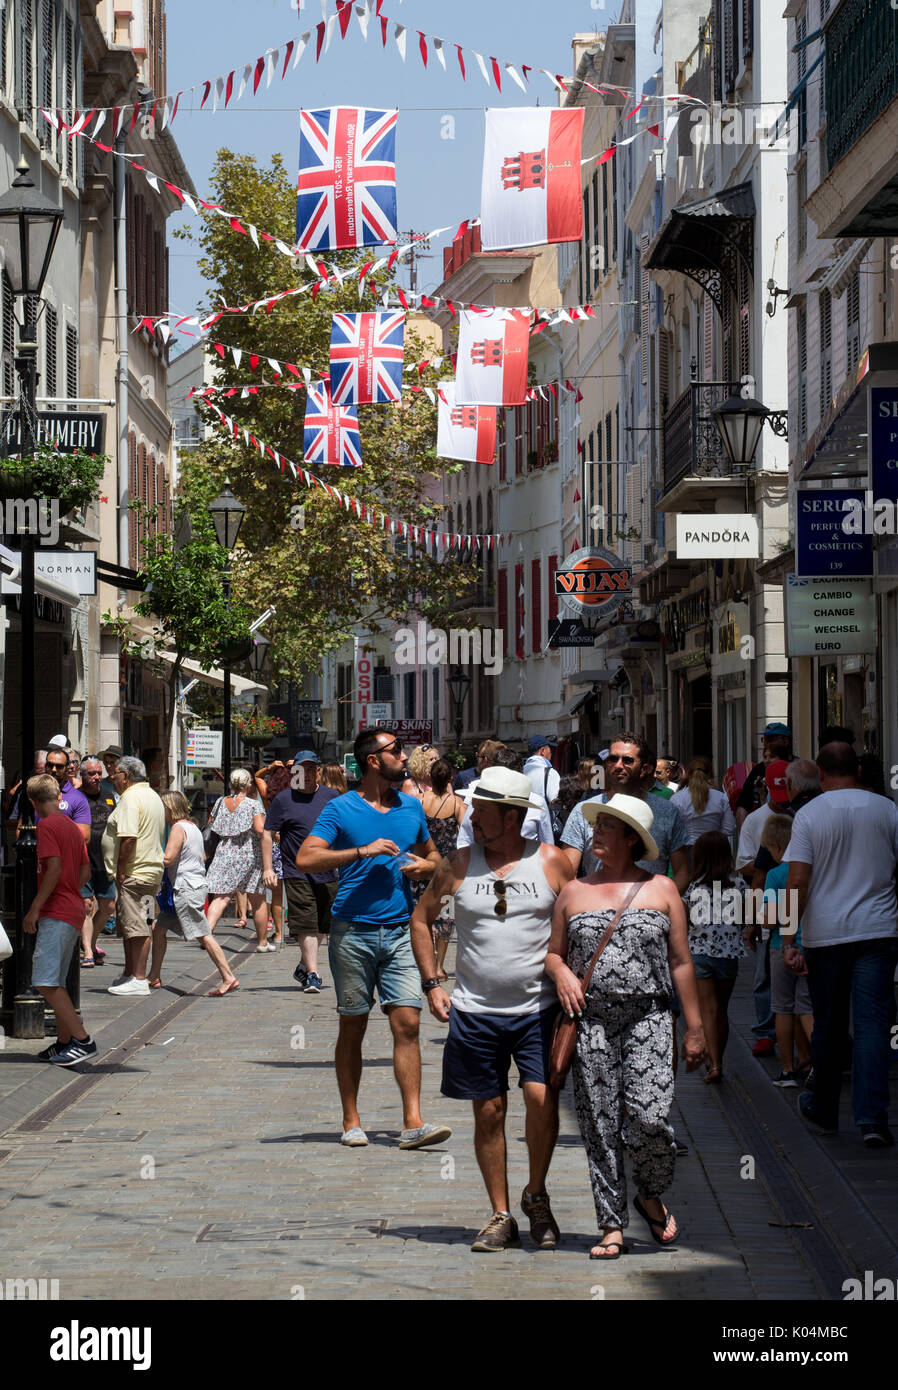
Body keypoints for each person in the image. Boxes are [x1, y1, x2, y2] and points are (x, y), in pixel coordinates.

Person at [410, 767, 573, 1252]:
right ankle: (501, 1213)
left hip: (538, 1009)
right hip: (475, 1010)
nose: (472, 815)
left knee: (542, 1100)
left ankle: (536, 1196)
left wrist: (567, 976)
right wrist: (432, 982)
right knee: (489, 1111)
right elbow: (422, 921)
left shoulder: (552, 863)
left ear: (513, 815)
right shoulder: (458, 865)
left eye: (482, 809)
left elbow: (579, 924)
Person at [545, 795, 705, 1258]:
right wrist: (561, 973)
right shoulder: (574, 891)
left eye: (609, 826)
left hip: (650, 1018)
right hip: (591, 1021)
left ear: (632, 838)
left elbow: (680, 962)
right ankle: (611, 1224)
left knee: (650, 1117)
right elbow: (553, 953)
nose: (597, 832)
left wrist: (694, 1028)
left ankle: (649, 1193)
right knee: (598, 1121)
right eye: (597, 825)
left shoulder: (662, 889)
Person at [296, 727, 452, 1150]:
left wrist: (426, 867)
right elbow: (306, 857)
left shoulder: (410, 807)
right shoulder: (341, 808)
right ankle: (351, 1119)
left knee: (408, 1022)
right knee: (354, 1025)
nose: (404, 757)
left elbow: (433, 855)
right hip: (352, 931)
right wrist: (360, 852)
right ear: (372, 760)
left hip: (401, 929)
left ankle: (413, 1122)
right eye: (396, 751)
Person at [786, 743, 898, 1147]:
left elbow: (797, 881)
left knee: (829, 1025)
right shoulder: (887, 809)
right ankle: (872, 1120)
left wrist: (788, 937)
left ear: (819, 771)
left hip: (827, 934)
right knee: (872, 1026)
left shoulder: (809, 815)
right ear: (859, 769)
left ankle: (825, 1108)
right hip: (879, 931)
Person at [24, 773, 97, 1066]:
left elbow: (52, 869)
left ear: (32, 802)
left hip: (56, 910)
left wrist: (35, 908)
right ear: (58, 797)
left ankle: (82, 1039)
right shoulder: (70, 826)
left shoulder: (46, 827)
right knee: (56, 979)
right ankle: (64, 1041)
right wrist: (71, 890)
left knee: (43, 981)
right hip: (73, 908)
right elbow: (86, 872)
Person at [560, 734, 690, 892]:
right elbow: (566, 873)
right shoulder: (583, 811)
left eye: (627, 760)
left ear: (644, 769)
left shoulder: (668, 812)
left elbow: (682, 872)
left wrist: (661, 904)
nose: (618, 765)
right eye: (613, 759)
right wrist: (588, 906)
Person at [150, 792, 239, 996]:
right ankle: (154, 975)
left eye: (162, 807)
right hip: (192, 886)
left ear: (170, 808)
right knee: (159, 928)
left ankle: (228, 977)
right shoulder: (193, 827)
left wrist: (150, 852)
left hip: (186, 889)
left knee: (204, 935)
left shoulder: (178, 828)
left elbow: (168, 859)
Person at [263, 751, 338, 992]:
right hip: (296, 870)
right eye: (300, 770)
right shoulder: (284, 799)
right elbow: (267, 834)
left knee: (322, 926)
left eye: (310, 769)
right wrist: (267, 868)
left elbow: (344, 828)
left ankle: (304, 966)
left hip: (327, 870)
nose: (305, 774)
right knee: (306, 923)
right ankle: (314, 974)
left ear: (318, 771)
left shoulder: (331, 796)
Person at [737, 760, 792, 1057]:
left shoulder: (802, 814)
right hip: (773, 902)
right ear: (766, 789)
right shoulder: (756, 820)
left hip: (800, 904)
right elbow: (746, 867)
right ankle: (766, 1031)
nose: (784, 804)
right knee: (765, 975)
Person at [683, 831, 748, 1083]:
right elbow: (744, 919)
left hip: (700, 954)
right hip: (729, 955)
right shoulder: (739, 885)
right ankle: (717, 1058)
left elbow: (687, 920)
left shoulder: (695, 887)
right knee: (722, 1010)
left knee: (707, 1011)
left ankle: (714, 1064)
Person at [101, 756, 166, 996]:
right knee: (141, 924)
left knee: (136, 926)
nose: (112, 778)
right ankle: (131, 973)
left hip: (134, 874)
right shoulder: (151, 796)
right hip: (150, 874)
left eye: (115, 774)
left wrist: (121, 869)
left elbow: (128, 837)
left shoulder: (130, 798)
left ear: (126, 776)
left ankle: (138, 978)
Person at [760, 815, 813, 1088]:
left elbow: (769, 920)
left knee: (782, 1008)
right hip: (812, 944)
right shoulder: (811, 869)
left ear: (775, 845)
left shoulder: (776, 875)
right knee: (807, 1007)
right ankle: (818, 1062)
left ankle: (788, 1069)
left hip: (783, 945)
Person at [204, 769, 270, 950]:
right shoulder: (253, 805)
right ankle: (263, 942)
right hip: (248, 853)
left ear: (232, 784)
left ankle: (207, 933)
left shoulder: (219, 802)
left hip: (224, 852)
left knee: (221, 897)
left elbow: (212, 823)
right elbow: (259, 829)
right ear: (248, 784)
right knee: (257, 900)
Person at [415, 757, 466, 983]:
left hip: (424, 862)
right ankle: (438, 966)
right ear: (450, 779)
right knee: (446, 916)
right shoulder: (457, 804)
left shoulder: (419, 801)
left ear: (429, 777)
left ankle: (423, 964)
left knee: (423, 914)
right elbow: (466, 833)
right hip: (448, 866)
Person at [457, 745, 554, 848]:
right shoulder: (479, 800)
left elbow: (547, 844)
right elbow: (465, 840)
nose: (474, 817)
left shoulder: (537, 802)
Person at [77, 757, 118, 969]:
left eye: (99, 773)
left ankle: (90, 943)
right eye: (92, 773)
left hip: (106, 861)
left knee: (108, 905)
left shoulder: (109, 796)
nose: (96, 777)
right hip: (83, 860)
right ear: (82, 775)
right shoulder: (77, 797)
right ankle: (87, 951)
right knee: (86, 905)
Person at [671, 756, 736, 859]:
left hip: (688, 851)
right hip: (715, 850)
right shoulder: (721, 797)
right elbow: (729, 829)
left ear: (688, 775)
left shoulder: (677, 798)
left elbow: (674, 829)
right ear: (710, 775)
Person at [734, 723, 793, 828]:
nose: (766, 743)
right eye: (764, 739)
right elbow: (743, 803)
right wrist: (746, 834)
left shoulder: (798, 767)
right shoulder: (758, 769)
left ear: (786, 741)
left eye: (770, 739)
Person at [39, 746, 91, 846]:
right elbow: (21, 828)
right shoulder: (36, 792)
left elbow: (84, 837)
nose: (54, 770)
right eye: (50, 765)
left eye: (59, 766)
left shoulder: (78, 798)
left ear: (66, 768)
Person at [523, 735, 560, 808]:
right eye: (550, 749)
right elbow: (554, 802)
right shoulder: (550, 773)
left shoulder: (520, 771)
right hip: (543, 818)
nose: (551, 753)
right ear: (543, 751)